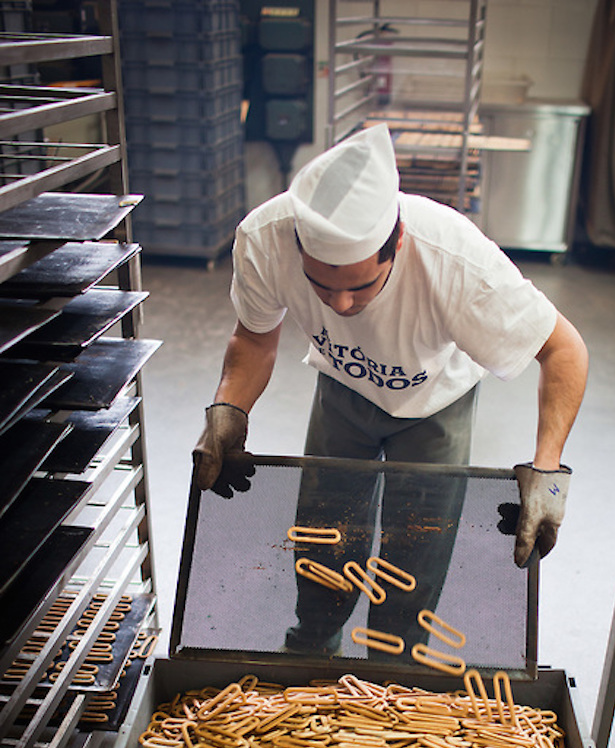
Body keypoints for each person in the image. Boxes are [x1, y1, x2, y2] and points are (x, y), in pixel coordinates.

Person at [194, 123, 588, 656]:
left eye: (359, 287)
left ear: (395, 242)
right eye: (321, 285)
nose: (339, 306)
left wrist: (549, 474)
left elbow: (564, 350)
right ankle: (312, 645)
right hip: (342, 386)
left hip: (435, 401)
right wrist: (228, 410)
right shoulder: (266, 238)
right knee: (322, 532)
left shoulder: (455, 261)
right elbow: (254, 340)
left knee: (418, 545)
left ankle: (393, 663)